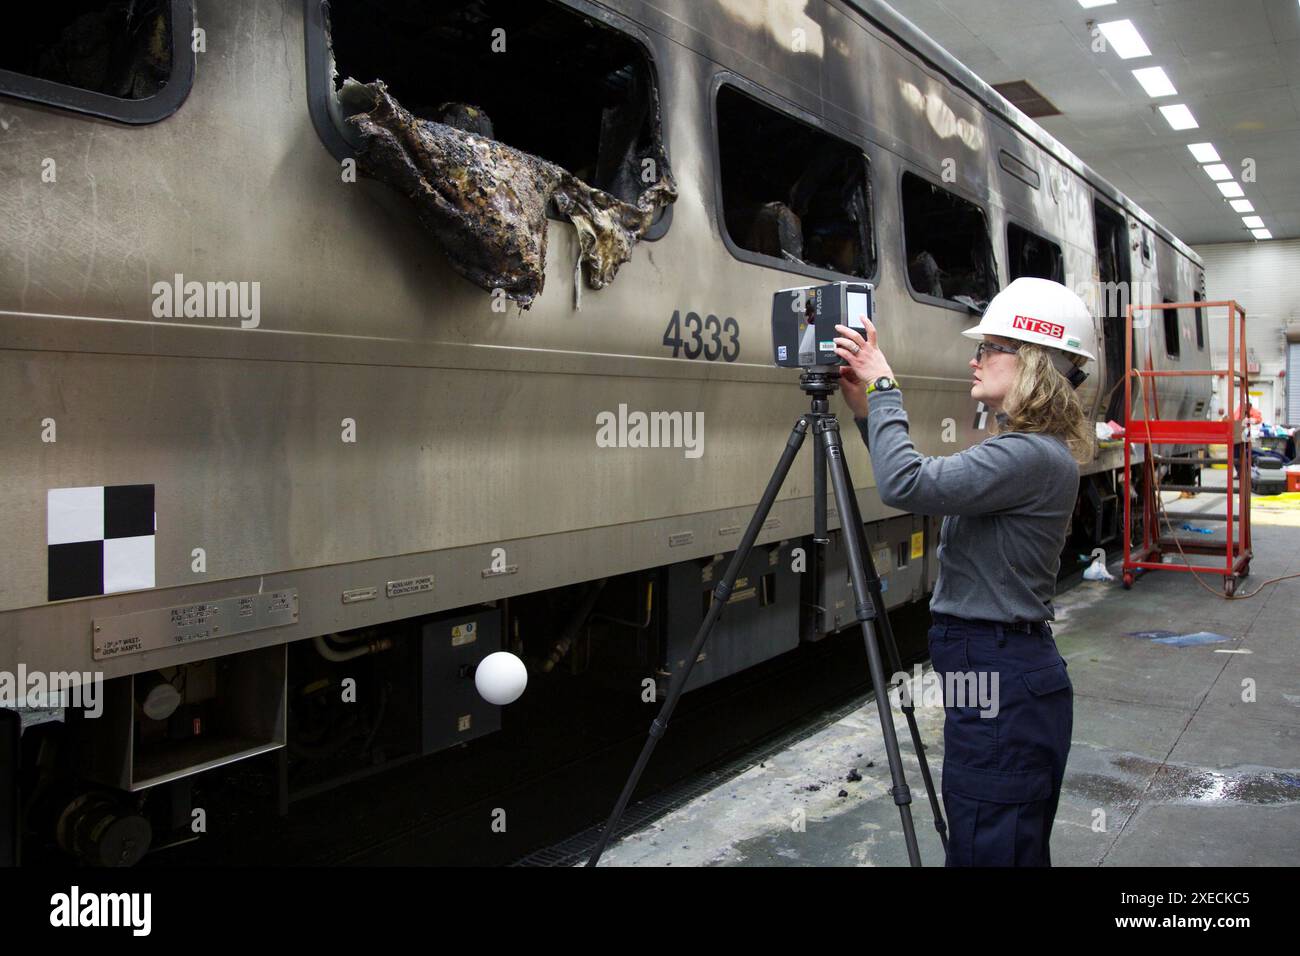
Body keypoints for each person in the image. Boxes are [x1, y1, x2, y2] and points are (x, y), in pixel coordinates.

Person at [831, 276, 1095, 867]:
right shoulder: (1029, 451)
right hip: (995, 669)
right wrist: (867, 408)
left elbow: (909, 483)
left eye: (989, 348)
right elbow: (925, 481)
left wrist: (886, 388)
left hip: (998, 671)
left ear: (1033, 362)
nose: (974, 360)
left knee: (988, 841)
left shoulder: (1027, 454)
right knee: (991, 832)